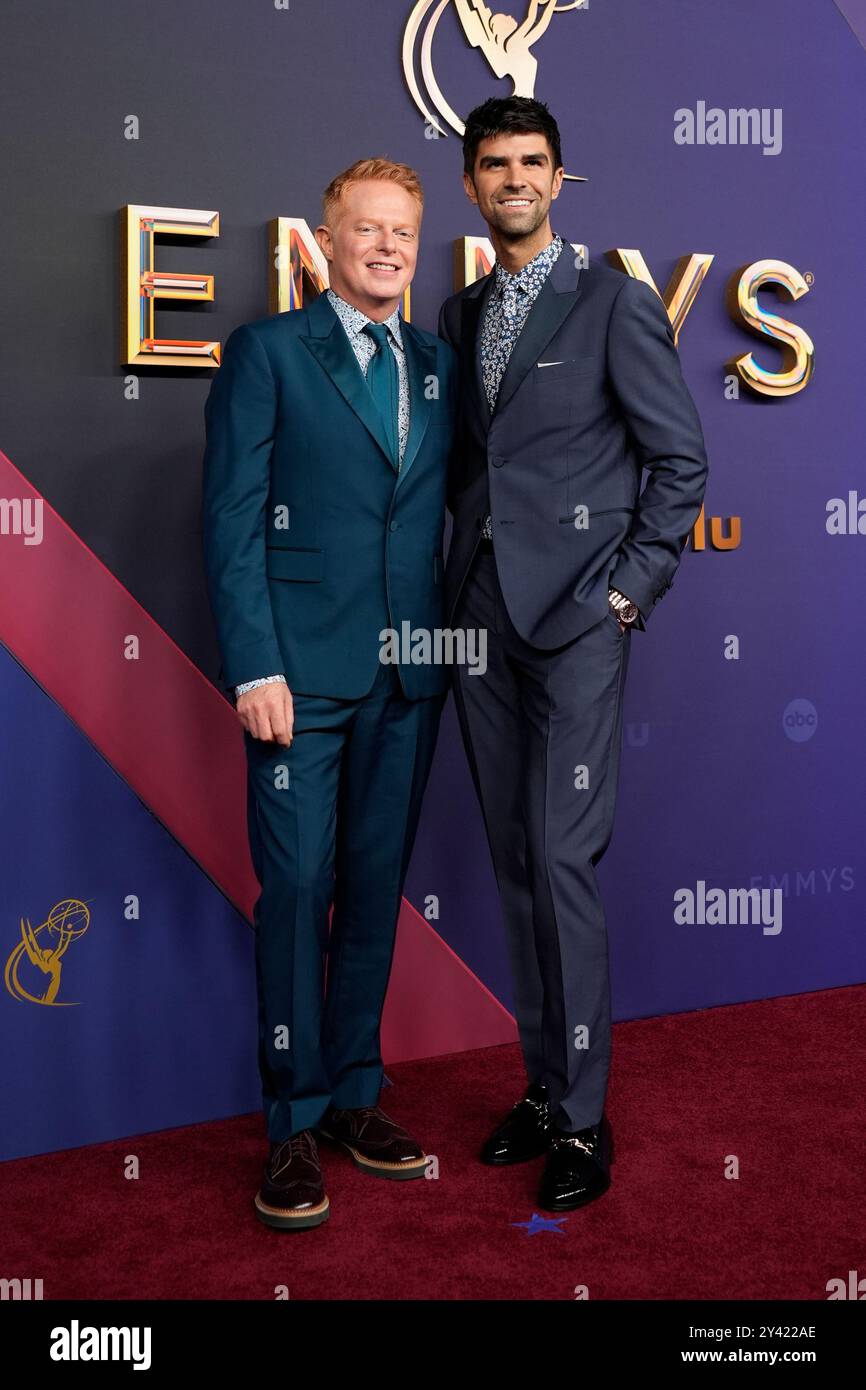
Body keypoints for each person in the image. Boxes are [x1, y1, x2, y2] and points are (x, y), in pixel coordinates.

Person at [438, 97, 709, 1211]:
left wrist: (625, 594)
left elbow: (679, 463)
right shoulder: (457, 315)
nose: (514, 179)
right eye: (494, 163)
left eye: (532, 162)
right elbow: (467, 467)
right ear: (469, 182)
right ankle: (544, 1090)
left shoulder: (611, 301)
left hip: (579, 622)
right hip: (478, 619)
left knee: (559, 858)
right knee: (511, 860)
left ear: (560, 178)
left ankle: (584, 1119)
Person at [202, 159, 455, 1230]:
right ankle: (291, 1121)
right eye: (367, 230)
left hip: (409, 668)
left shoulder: (438, 366)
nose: (387, 247)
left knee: (371, 884)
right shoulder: (268, 351)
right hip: (297, 677)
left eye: (402, 231)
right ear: (326, 239)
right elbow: (230, 517)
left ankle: (355, 1093)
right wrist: (254, 665)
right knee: (299, 888)